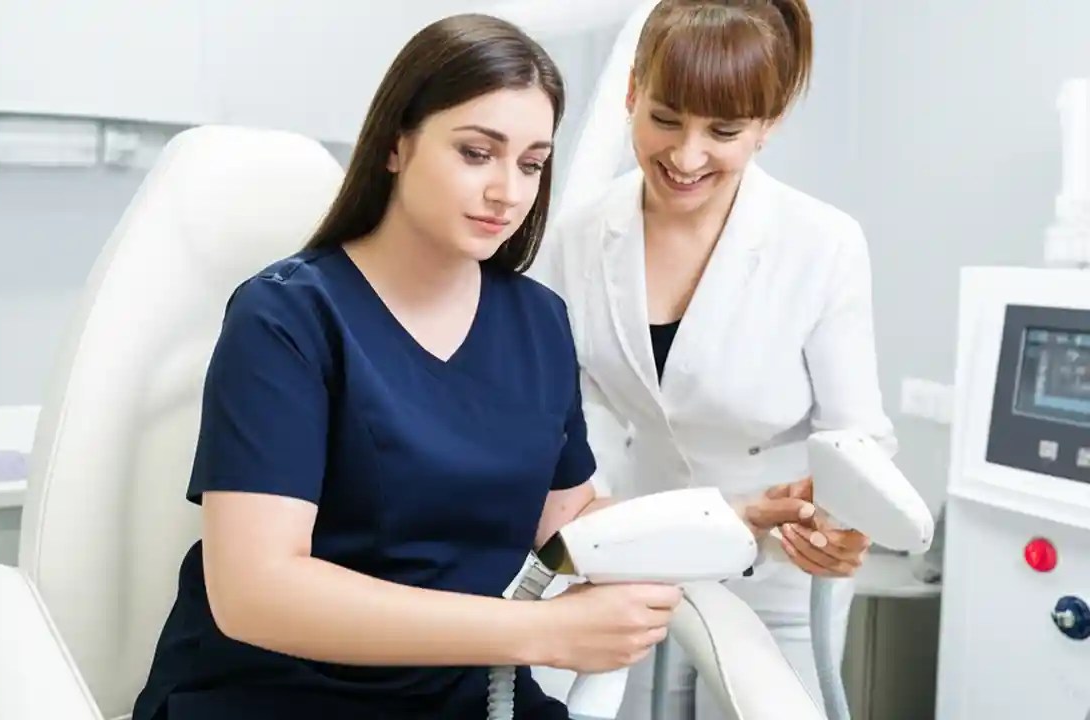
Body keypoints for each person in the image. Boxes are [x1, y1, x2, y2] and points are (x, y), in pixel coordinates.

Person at [130, 11, 819, 720]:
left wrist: (727, 519)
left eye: (530, 163)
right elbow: (256, 595)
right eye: (475, 153)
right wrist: (540, 633)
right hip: (275, 698)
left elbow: (572, 519)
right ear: (397, 145)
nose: (509, 192)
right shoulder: (287, 319)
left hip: (466, 696)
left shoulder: (538, 323)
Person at [529, 1, 894, 718]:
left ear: (768, 125)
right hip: (637, 550)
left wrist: (850, 522)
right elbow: (550, 419)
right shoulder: (578, 235)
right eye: (665, 118)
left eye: (723, 131)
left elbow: (861, 436)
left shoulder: (821, 244)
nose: (687, 157)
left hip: (780, 571)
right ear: (632, 92)